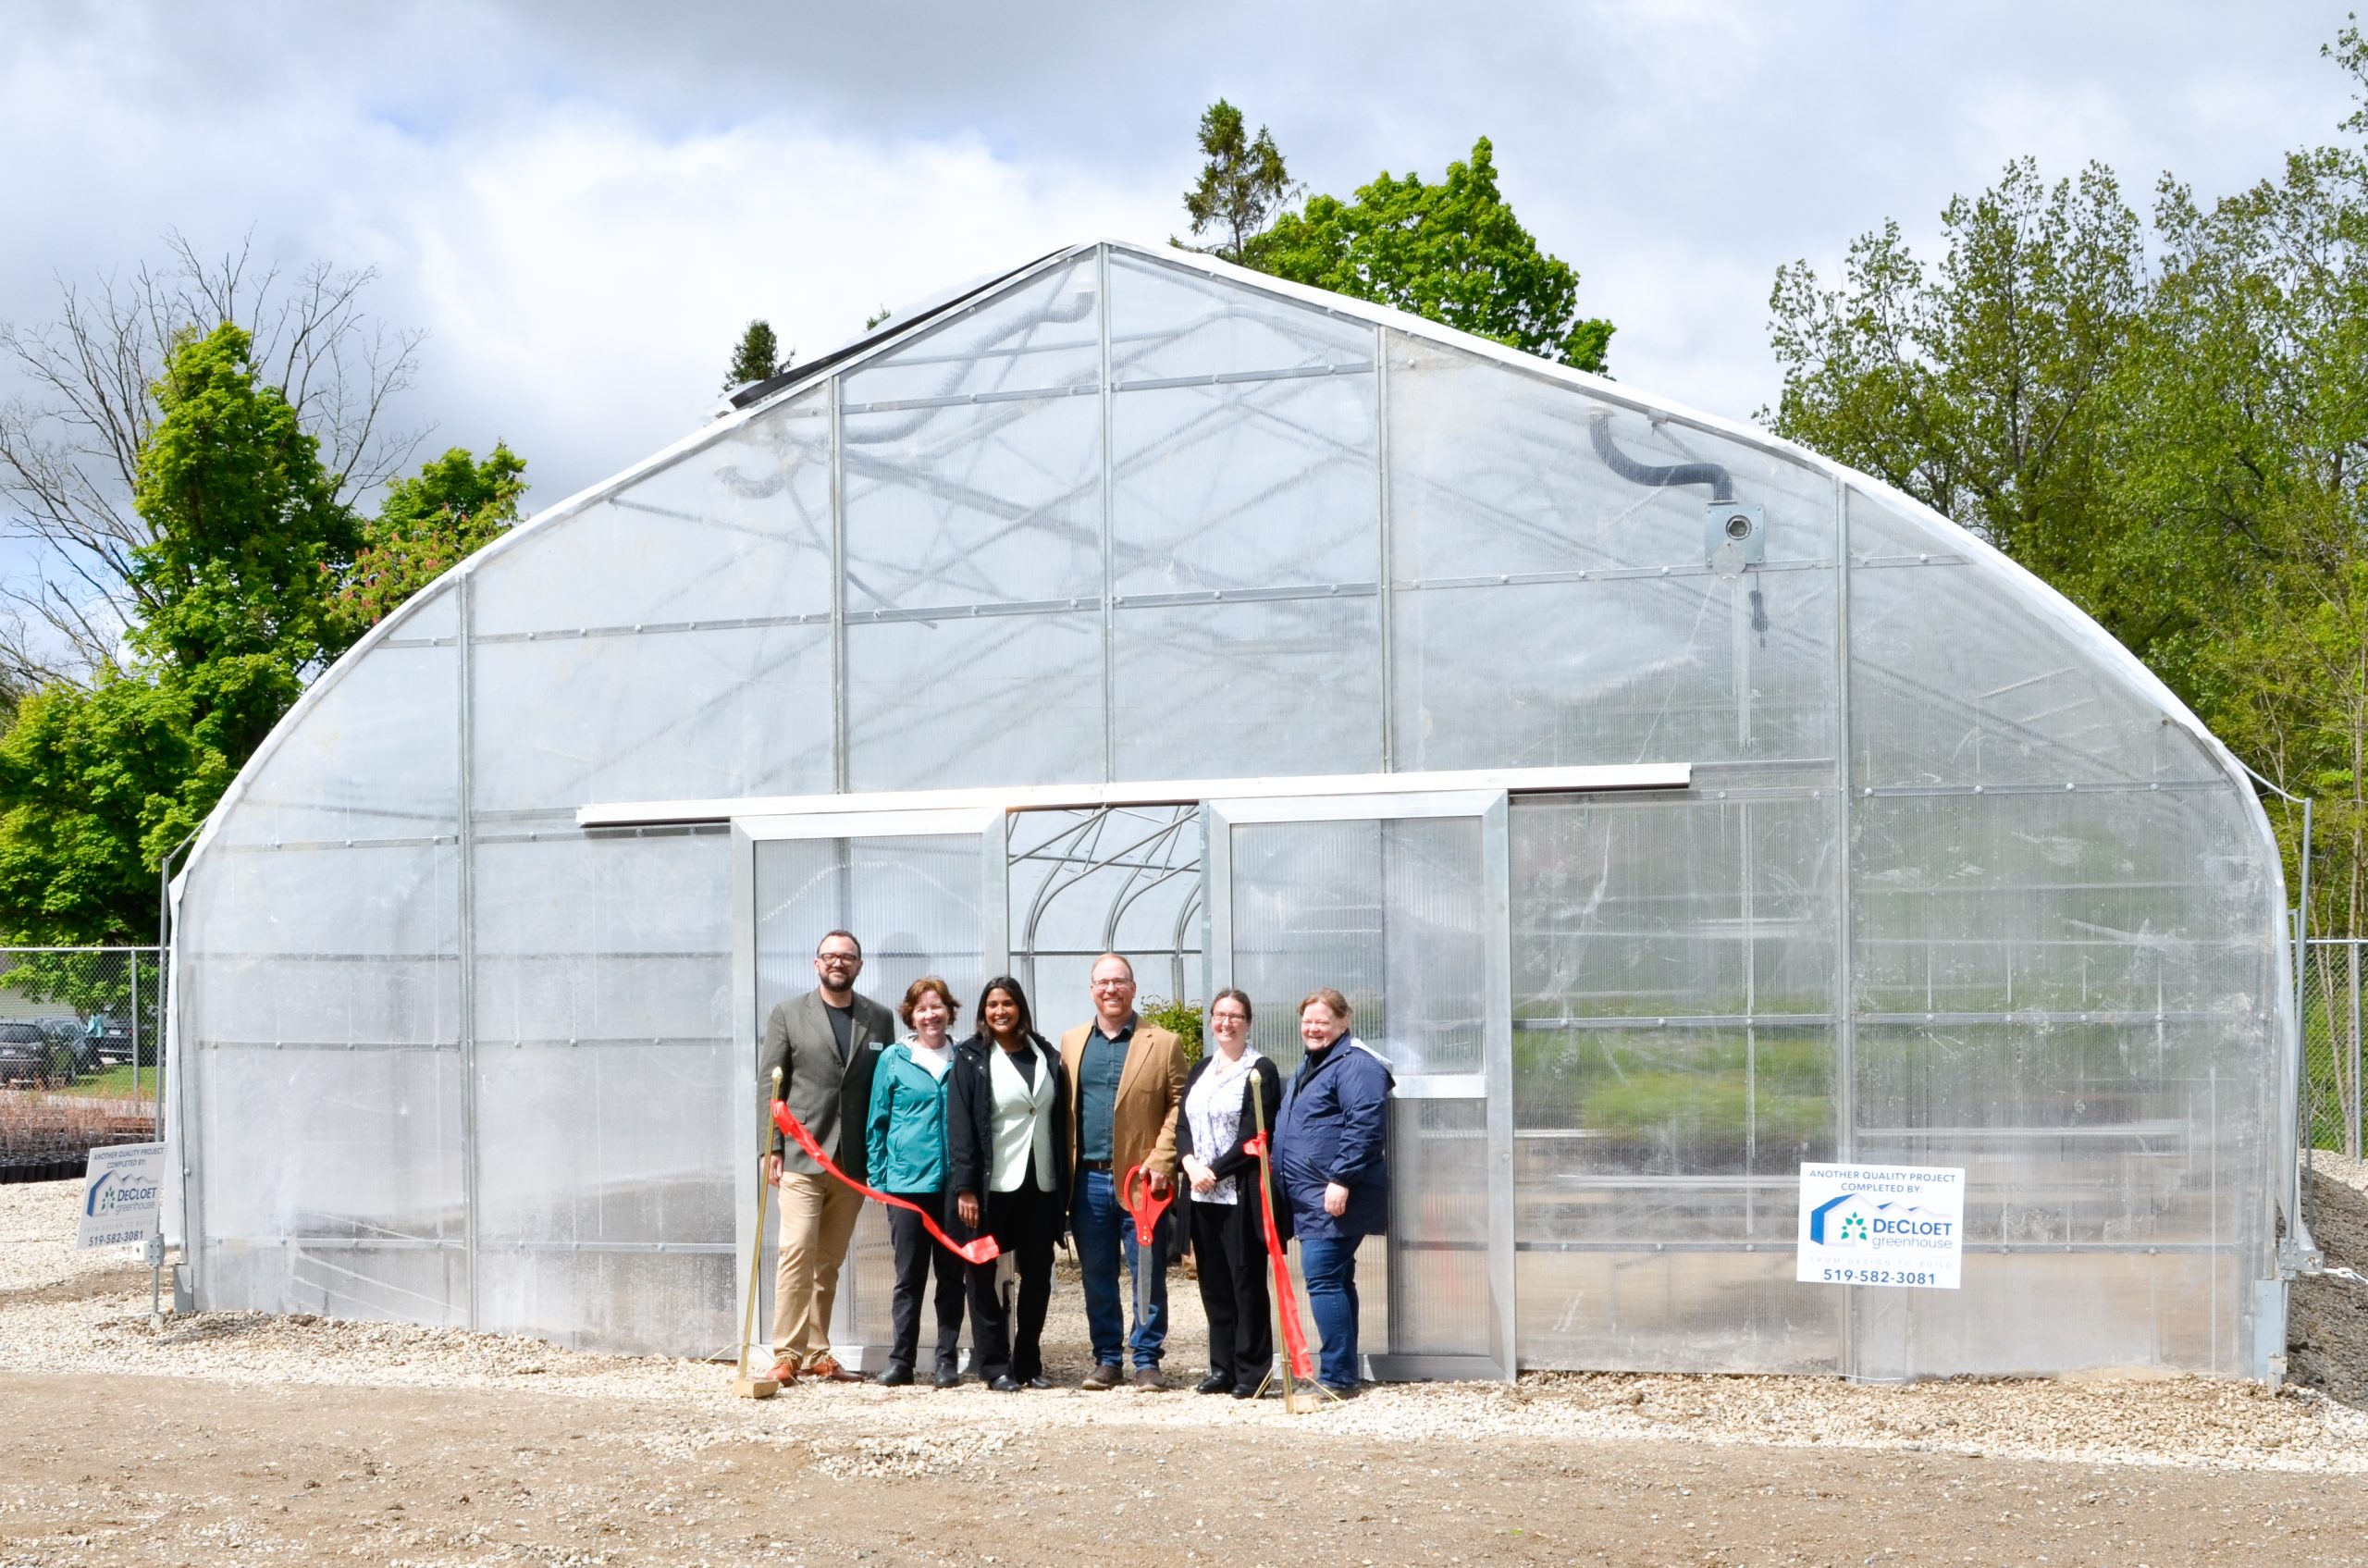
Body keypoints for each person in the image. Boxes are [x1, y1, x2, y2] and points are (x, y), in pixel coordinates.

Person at [760, 930, 896, 1384]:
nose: (838, 963)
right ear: (816, 963)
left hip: (852, 1163)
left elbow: (885, 1091)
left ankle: (818, 1352)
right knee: (796, 1251)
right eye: (830, 956)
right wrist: (771, 1147)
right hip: (802, 1155)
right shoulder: (788, 1015)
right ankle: (786, 1354)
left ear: (859, 966)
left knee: (828, 1260)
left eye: (847, 957)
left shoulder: (878, 1020)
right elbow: (772, 1086)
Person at [1058, 952, 1188, 1389]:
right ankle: (1107, 1358)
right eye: (1102, 982)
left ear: (1132, 987)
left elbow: (1178, 1105)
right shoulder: (1073, 1042)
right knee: (1097, 1274)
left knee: (1147, 1271)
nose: (1110, 989)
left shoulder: (1162, 1041)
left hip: (1142, 1182)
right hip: (1087, 1180)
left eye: (1119, 981)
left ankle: (1148, 1358)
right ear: (1092, 989)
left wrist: (1161, 1161)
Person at [946, 975, 1069, 1391]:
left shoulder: (1046, 1054)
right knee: (981, 1275)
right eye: (992, 1004)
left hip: (1040, 1185)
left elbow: (1055, 1120)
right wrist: (965, 1186)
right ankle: (994, 1364)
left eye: (1008, 1003)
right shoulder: (970, 1058)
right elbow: (960, 1125)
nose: (1000, 1011)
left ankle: (1028, 1362)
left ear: (1021, 1008)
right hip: (989, 1188)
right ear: (983, 1011)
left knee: (1038, 1275)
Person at [1273, 988, 1392, 1399]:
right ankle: (1344, 1371)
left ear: (1344, 1022)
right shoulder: (1316, 1063)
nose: (1313, 1028)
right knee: (1337, 1278)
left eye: (1322, 1021)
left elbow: (1364, 1125)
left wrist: (1340, 1178)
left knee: (1323, 1277)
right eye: (1307, 1021)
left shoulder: (1356, 1065)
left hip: (1333, 1194)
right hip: (1309, 1196)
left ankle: (1338, 1376)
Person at [1175, 987, 1285, 1398]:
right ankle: (1220, 1367)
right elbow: (1183, 1125)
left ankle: (1252, 1371)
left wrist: (1214, 1171)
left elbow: (1256, 1134)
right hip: (1201, 1194)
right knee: (1214, 1284)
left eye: (1235, 1016)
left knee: (1245, 1282)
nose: (1226, 1022)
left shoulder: (1260, 1071)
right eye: (1219, 1015)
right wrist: (1189, 1165)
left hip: (1239, 1193)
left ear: (1248, 1022)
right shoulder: (1201, 1069)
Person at [865, 976, 968, 1389]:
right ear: (911, 1015)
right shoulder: (894, 1058)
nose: (931, 1015)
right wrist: (878, 1179)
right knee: (908, 1278)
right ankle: (901, 1361)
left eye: (937, 1007)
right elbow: (877, 1121)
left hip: (952, 1189)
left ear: (949, 1012)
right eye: (922, 1008)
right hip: (906, 1186)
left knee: (950, 1276)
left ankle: (945, 1361)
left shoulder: (964, 1058)